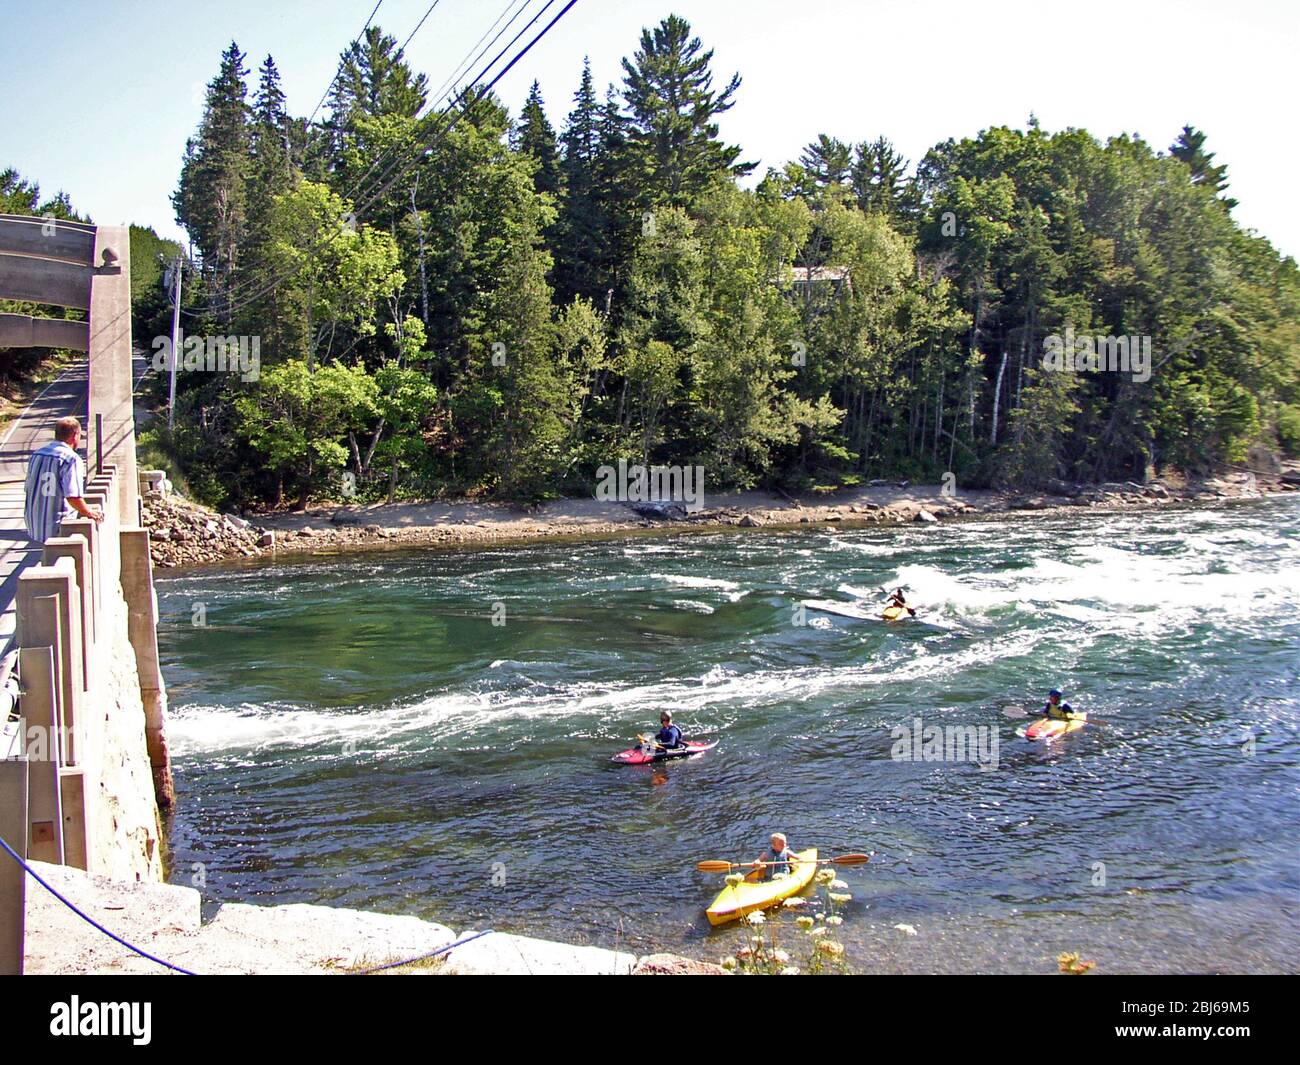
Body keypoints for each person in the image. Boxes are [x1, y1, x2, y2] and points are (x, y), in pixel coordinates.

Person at [24, 417, 102, 545]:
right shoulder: (71, 458)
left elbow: (28, 488)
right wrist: (89, 512)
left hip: (35, 525)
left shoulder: (37, 454)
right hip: (57, 526)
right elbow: (73, 496)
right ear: (75, 435)